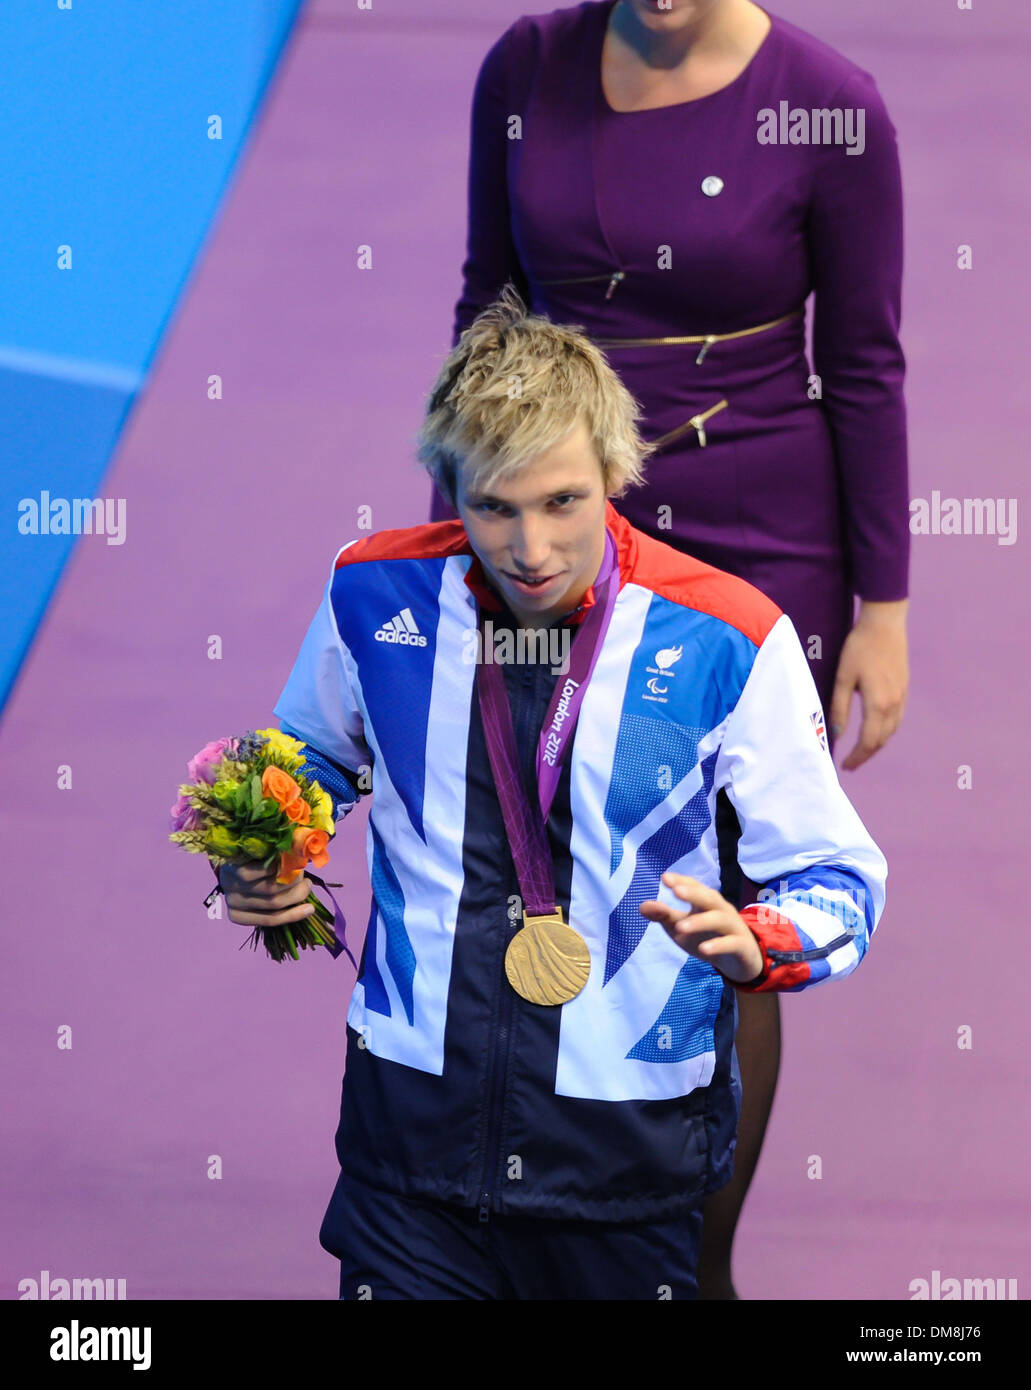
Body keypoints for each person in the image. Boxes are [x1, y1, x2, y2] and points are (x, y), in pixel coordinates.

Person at [220, 291, 887, 1300]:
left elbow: (838, 874)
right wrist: (258, 854)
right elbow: (309, 759)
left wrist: (765, 941)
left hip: (622, 1170)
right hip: (409, 1154)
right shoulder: (372, 594)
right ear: (451, 488)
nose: (529, 545)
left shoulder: (726, 637)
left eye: (562, 502)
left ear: (614, 475)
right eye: (494, 506)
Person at [428, 0, 910, 1297]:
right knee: (544, 855)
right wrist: (445, 555)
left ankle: (694, 1261)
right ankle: (537, 1213)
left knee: (722, 887)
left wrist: (882, 608)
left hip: (757, 549)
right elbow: (489, 306)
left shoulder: (831, 106)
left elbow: (861, 364)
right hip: (553, 531)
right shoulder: (522, 67)